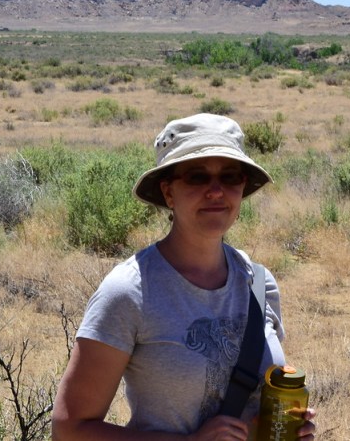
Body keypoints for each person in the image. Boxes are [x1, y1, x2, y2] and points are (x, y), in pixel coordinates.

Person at [52, 113, 317, 440]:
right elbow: (69, 428)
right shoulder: (131, 291)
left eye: (231, 176)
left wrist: (285, 426)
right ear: (168, 193)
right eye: (197, 177)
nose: (216, 191)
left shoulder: (259, 284)